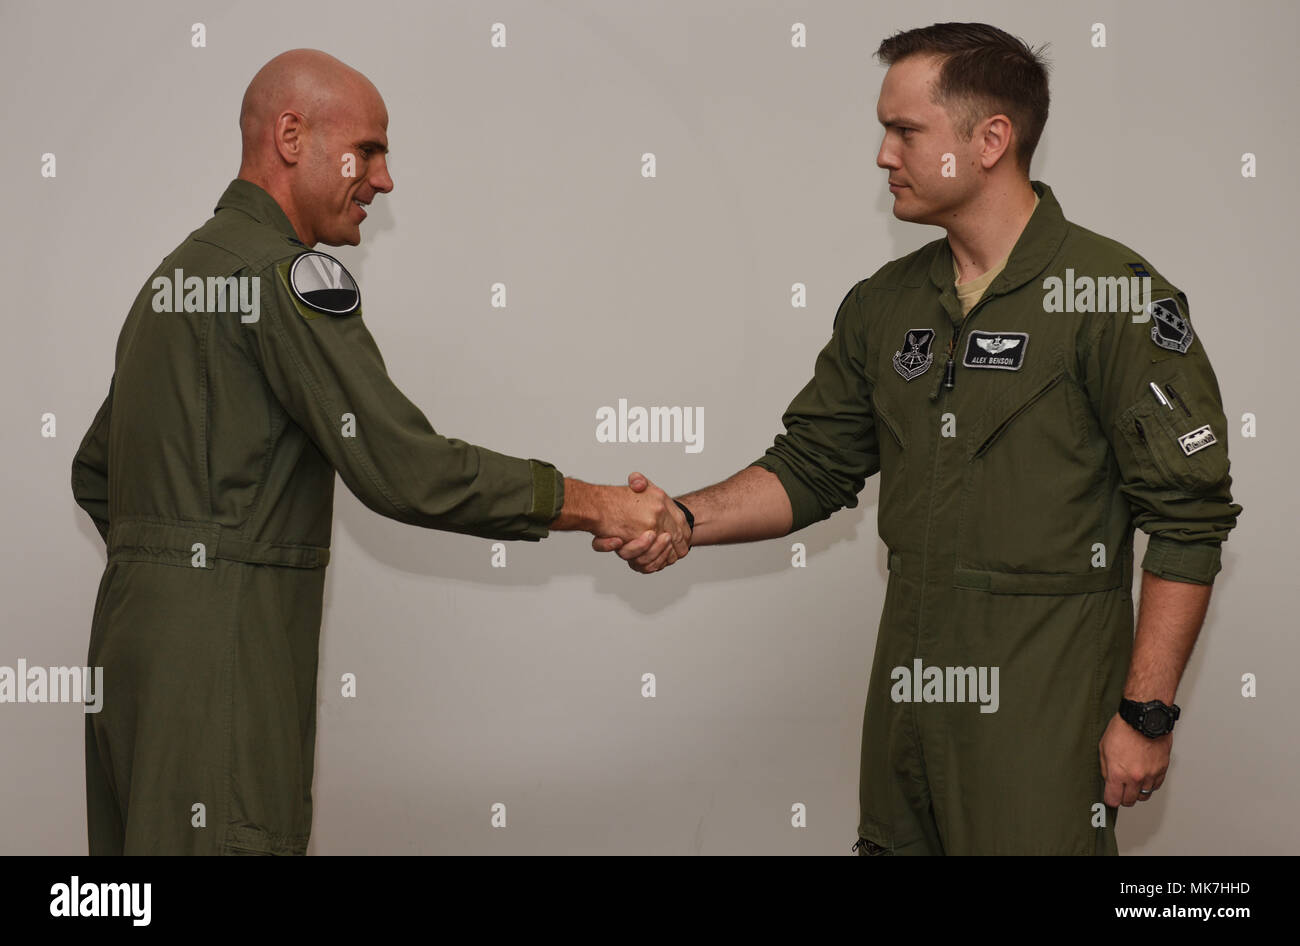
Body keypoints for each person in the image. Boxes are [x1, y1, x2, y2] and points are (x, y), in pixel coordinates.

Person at [596, 23, 1242, 855]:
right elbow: (812, 466)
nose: (881, 154)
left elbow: (1189, 521)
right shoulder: (886, 303)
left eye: (905, 131)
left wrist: (1145, 714)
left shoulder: (1111, 299)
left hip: (1042, 707)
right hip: (908, 695)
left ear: (990, 141)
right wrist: (682, 516)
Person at [69, 48, 689, 855]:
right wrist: (602, 502)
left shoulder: (176, 277)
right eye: (371, 149)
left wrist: (175, 567)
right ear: (292, 137)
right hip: (223, 663)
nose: (385, 180)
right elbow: (406, 468)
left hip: (129, 660)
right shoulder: (283, 279)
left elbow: (94, 469)